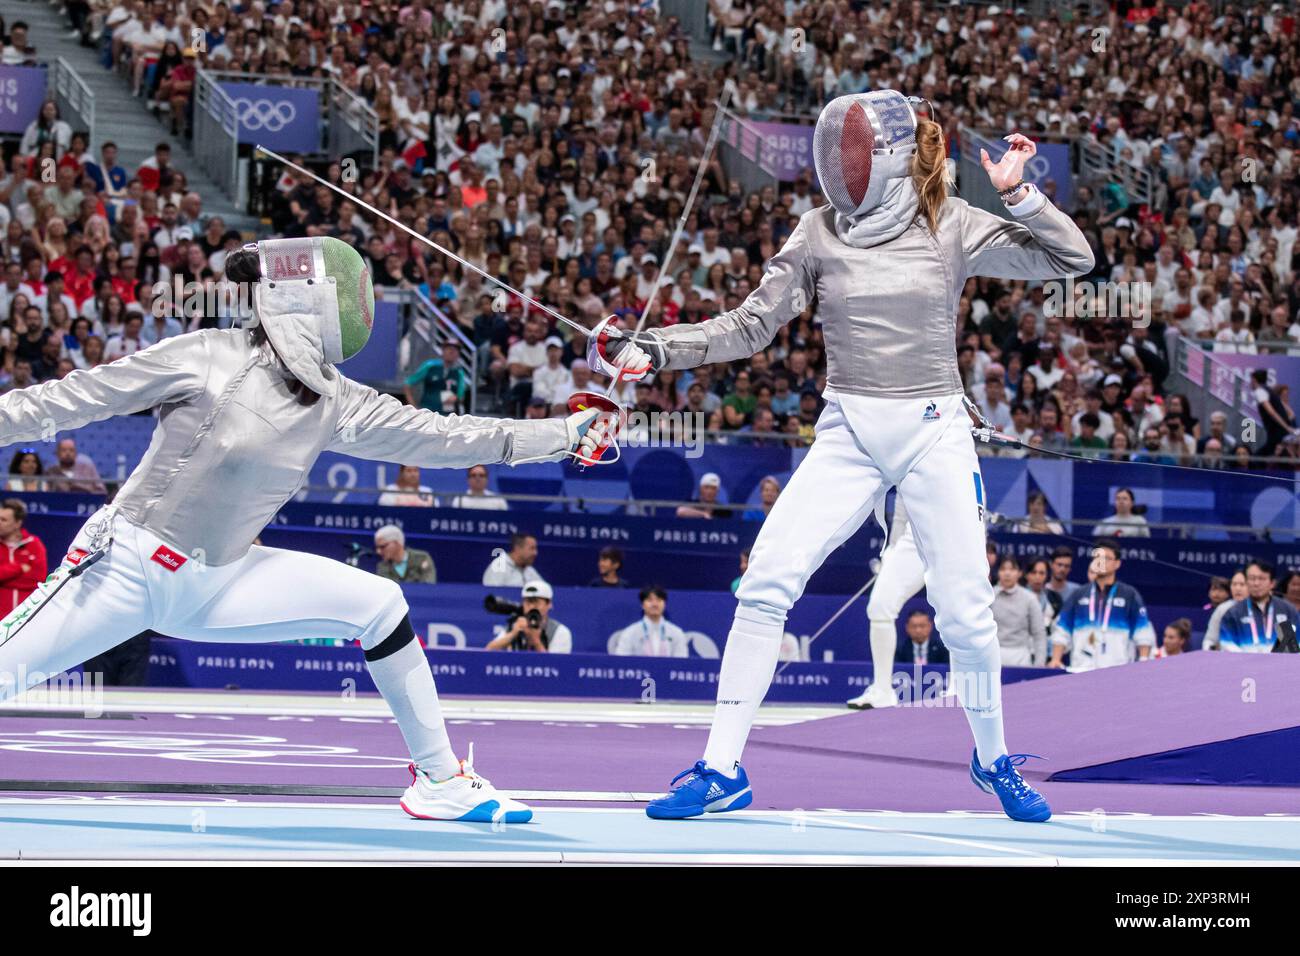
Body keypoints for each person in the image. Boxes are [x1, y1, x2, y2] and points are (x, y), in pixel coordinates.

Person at [599, 92, 1092, 822]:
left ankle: (993, 762)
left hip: (934, 429)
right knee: (765, 582)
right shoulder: (817, 233)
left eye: (855, 150)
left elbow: (1073, 259)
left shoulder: (950, 222)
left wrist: (1018, 190)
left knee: (964, 614)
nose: (840, 163)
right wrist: (656, 350)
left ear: (890, 156)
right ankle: (721, 768)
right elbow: (750, 326)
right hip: (850, 430)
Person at [0, 236, 606, 825]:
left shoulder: (336, 401)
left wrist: (564, 434)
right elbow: (67, 399)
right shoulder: (206, 354)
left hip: (219, 579)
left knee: (379, 604)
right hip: (124, 567)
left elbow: (449, 437)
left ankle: (441, 782)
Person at [847, 497, 924, 710]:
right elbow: (903, 504)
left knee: (957, 613)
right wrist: (893, 548)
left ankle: (959, 689)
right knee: (880, 606)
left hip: (955, 533)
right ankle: (882, 690)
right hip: (916, 535)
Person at [1050, 540, 1155, 670]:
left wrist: (1144, 659)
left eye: (1106, 558)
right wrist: (1056, 659)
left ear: (1117, 563)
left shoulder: (1129, 595)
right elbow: (1062, 629)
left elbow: (1143, 631)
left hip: (1117, 670)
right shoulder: (1079, 594)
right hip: (1082, 668)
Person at [1219, 561, 1298, 653]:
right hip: (1242, 665)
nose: (1256, 583)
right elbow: (1226, 645)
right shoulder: (1233, 613)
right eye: (1252, 578)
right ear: (1246, 581)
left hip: (1279, 665)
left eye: (1261, 578)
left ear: (1272, 583)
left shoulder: (1287, 610)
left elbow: (1294, 646)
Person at [990, 555, 1047, 667]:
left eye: (1012, 569)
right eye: (1003, 569)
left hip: (1021, 658)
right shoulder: (989, 597)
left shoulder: (1030, 598)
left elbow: (1039, 634)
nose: (1007, 573)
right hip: (993, 655)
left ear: (1020, 573)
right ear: (998, 573)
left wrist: (1039, 664)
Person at [485, 580, 571, 653]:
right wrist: (512, 634)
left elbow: (557, 666)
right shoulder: (516, 625)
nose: (532, 606)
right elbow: (488, 652)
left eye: (536, 602)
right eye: (528, 602)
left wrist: (536, 641)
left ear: (549, 604)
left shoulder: (560, 631)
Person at [610, 586, 689, 657]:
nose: (655, 604)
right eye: (650, 600)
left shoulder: (676, 633)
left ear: (665, 604)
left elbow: (682, 662)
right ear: (642, 605)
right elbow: (622, 660)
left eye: (659, 600)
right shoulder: (630, 632)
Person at [0, 498, 46, 617]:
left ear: (17, 523)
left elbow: (37, 579)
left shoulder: (34, 544)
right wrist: (19, 568)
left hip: (25, 617)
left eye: (3, 520)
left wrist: (4, 581)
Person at [1203, 569, 1248, 651]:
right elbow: (1210, 640)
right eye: (1234, 584)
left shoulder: (1263, 609)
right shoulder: (1222, 609)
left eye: (1242, 584)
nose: (1237, 588)